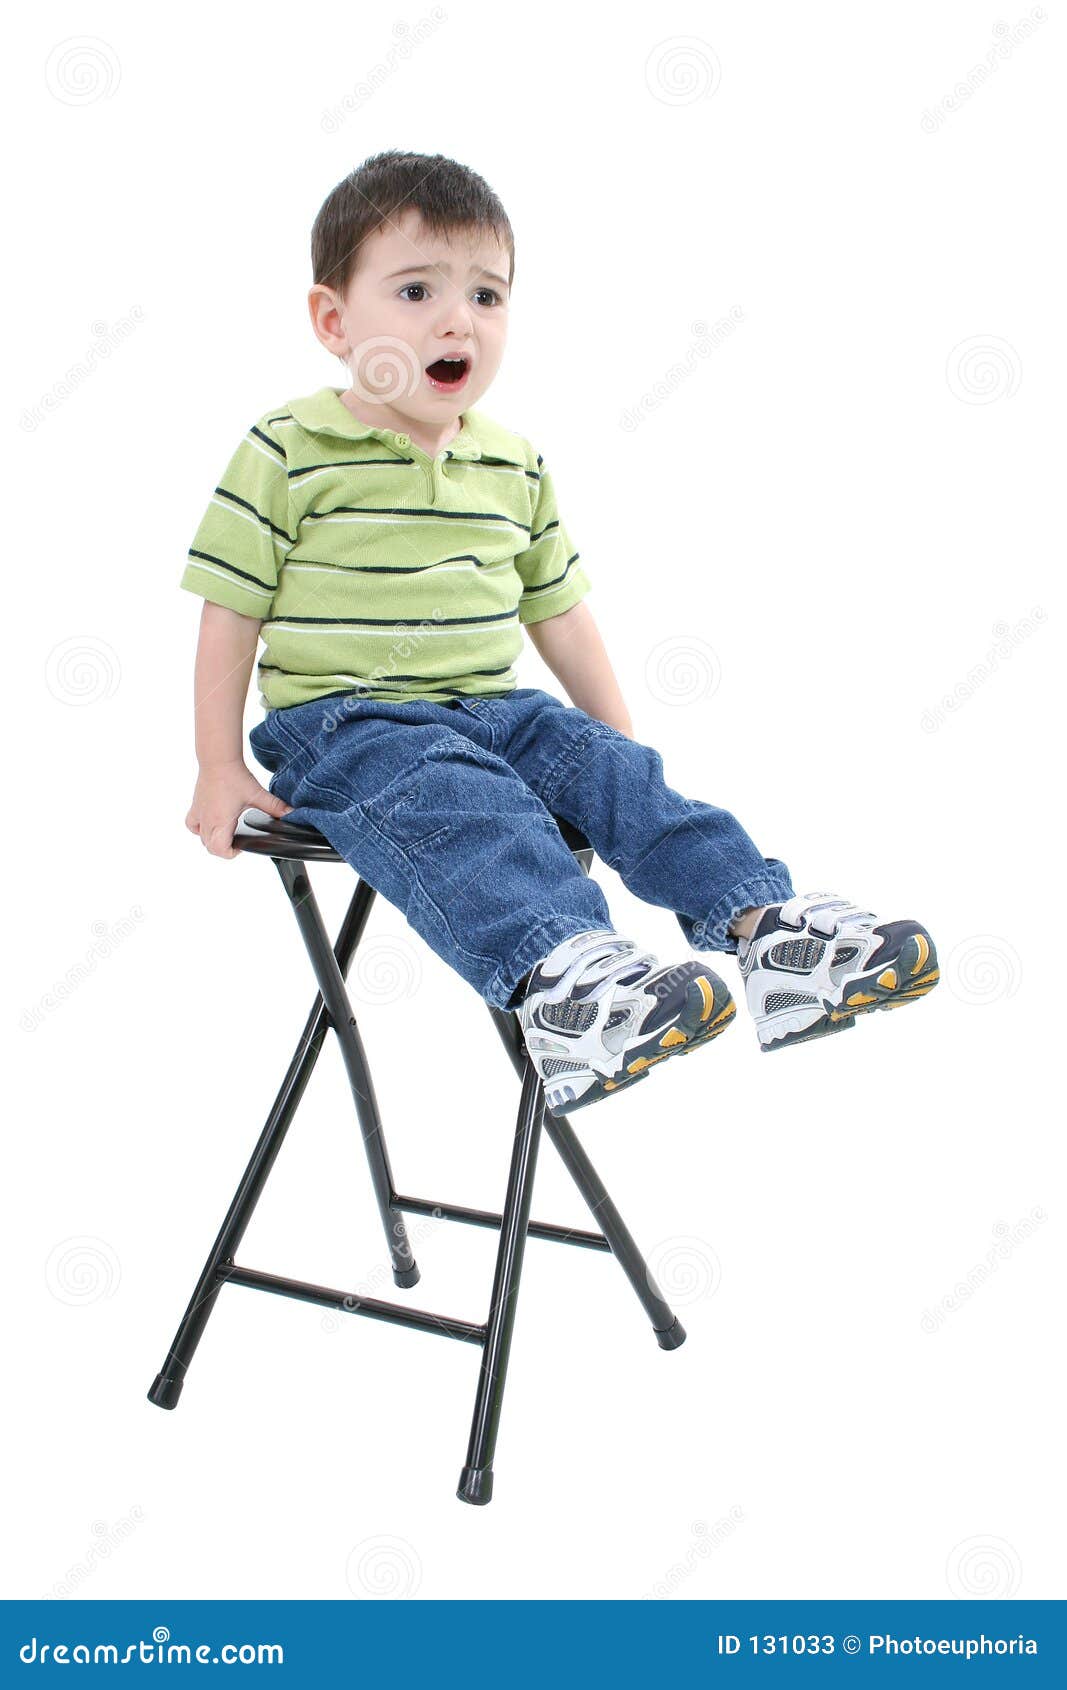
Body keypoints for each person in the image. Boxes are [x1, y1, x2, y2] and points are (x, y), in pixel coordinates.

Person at [181, 150, 938, 1117]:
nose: (458, 320)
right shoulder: (286, 448)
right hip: (347, 728)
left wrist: (618, 742)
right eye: (416, 290)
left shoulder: (513, 461)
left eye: (487, 295)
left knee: (621, 776)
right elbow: (228, 609)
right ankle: (568, 982)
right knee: (462, 799)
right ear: (335, 321)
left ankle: (770, 936)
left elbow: (561, 616)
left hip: (497, 709)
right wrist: (214, 766)